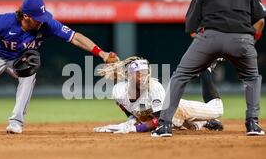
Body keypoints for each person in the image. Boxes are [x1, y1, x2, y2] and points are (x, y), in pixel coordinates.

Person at [0, 0, 118, 133]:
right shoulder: (4, 22)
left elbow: (75, 37)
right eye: (38, 17)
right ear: (25, 16)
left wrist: (102, 53)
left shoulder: (47, 24)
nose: (42, 20)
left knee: (29, 73)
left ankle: (16, 122)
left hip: (19, 60)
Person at [152, 0, 265, 138]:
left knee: (180, 76)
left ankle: (165, 125)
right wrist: (251, 42)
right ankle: (253, 123)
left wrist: (209, 51)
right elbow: (261, 20)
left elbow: (191, 30)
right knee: (252, 78)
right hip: (242, 38)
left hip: (209, 38)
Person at [94, 57, 223, 134]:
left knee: (218, 109)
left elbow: (159, 121)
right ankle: (206, 123)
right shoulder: (118, 91)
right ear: (129, 76)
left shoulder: (154, 87)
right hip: (164, 116)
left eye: (146, 73)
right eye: (140, 73)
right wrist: (131, 121)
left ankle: (206, 71)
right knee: (185, 126)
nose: (144, 76)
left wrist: (135, 129)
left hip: (176, 107)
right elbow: (129, 109)